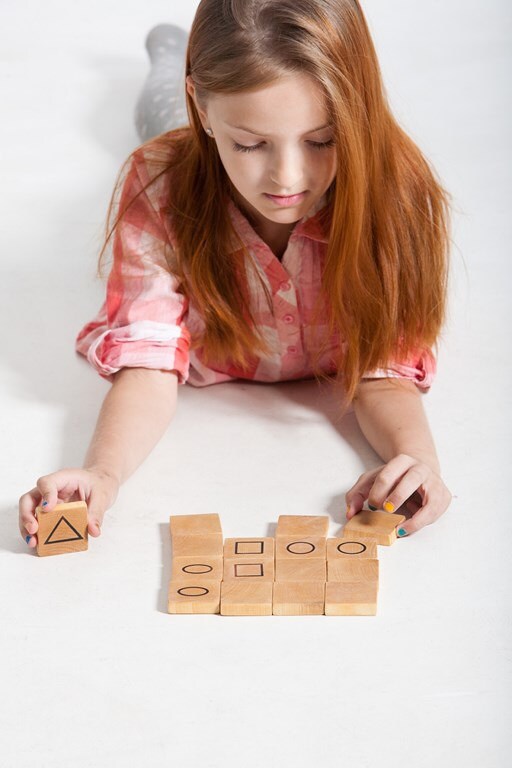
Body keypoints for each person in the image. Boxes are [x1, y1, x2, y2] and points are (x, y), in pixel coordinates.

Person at [19, 0, 453, 549]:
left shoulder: (397, 194)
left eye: (322, 140)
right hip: (187, 143)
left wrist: (416, 459)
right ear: (202, 106)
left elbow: (382, 366)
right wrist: (103, 475)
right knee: (157, 117)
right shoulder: (160, 184)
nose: (288, 177)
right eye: (251, 143)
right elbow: (150, 363)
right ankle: (169, 56)